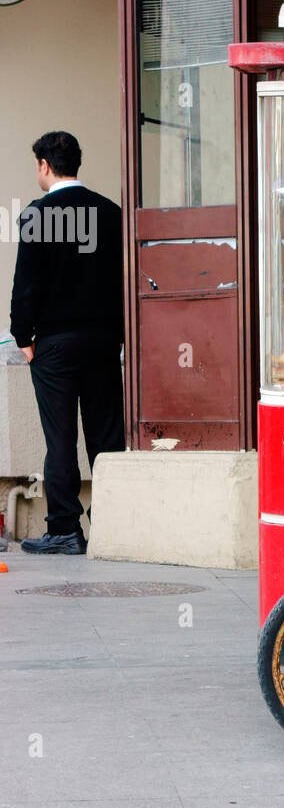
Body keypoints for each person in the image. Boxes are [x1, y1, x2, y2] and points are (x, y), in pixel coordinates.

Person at [9, 131, 124, 554]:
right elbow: (122, 281)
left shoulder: (38, 216)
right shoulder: (110, 213)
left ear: (44, 165)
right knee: (107, 435)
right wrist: (120, 336)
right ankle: (113, 524)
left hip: (53, 344)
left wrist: (22, 336)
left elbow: (26, 285)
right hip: (102, 341)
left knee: (60, 439)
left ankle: (64, 529)